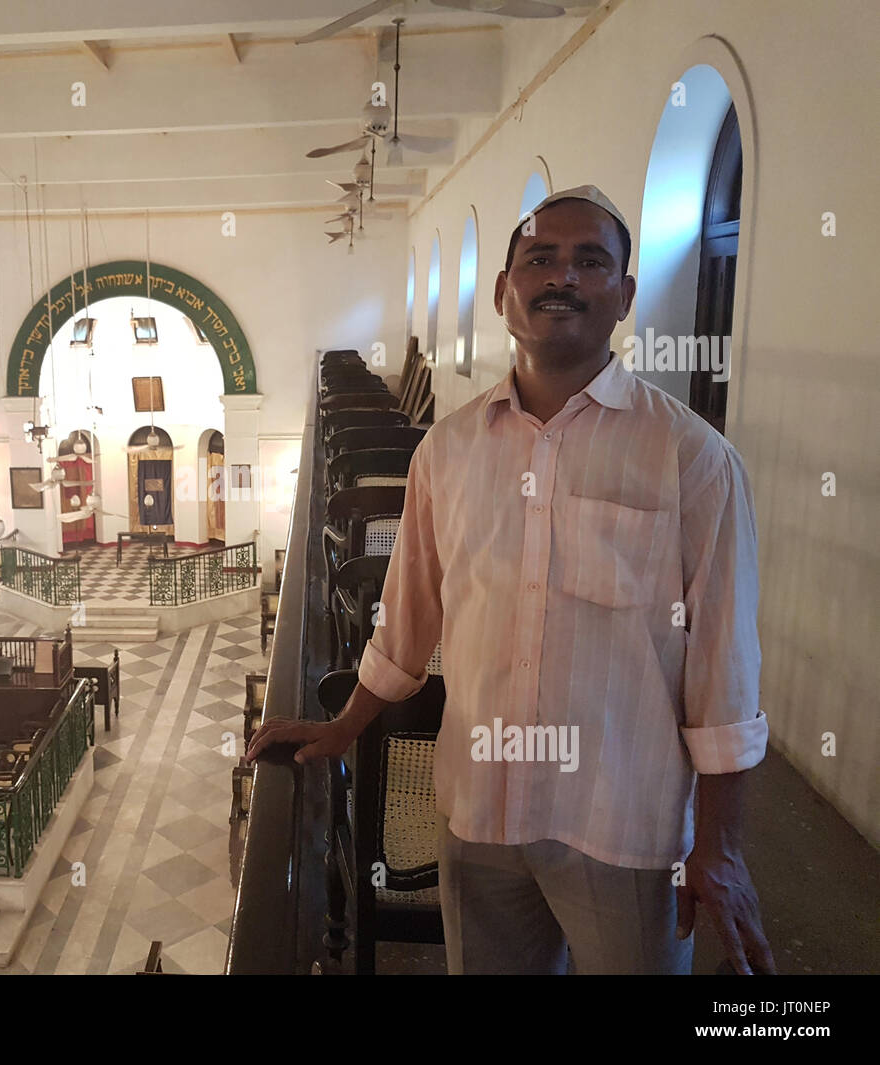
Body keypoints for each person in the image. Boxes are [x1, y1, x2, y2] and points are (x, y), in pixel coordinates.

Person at [248, 185, 774, 976]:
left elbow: (725, 668)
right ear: (503, 292)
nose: (562, 276)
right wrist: (344, 724)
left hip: (623, 825)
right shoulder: (449, 450)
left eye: (589, 261)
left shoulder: (690, 458)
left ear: (625, 295)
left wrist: (721, 847)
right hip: (481, 810)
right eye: (540, 259)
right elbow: (407, 618)